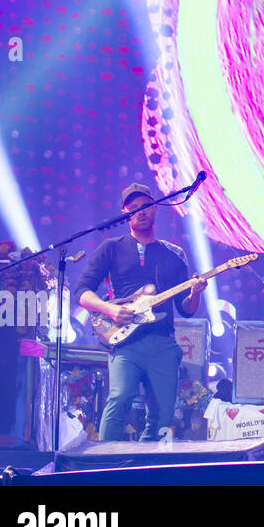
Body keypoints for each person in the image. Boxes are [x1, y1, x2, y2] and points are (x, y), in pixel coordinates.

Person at [74, 183, 206, 442]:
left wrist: (197, 292)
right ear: (125, 214)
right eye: (132, 208)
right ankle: (105, 466)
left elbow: (186, 309)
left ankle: (145, 467)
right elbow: (82, 292)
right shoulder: (110, 247)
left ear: (155, 208)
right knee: (119, 398)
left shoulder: (174, 254)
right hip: (125, 343)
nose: (140, 212)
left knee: (162, 416)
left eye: (145, 206)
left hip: (163, 343)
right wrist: (110, 309)